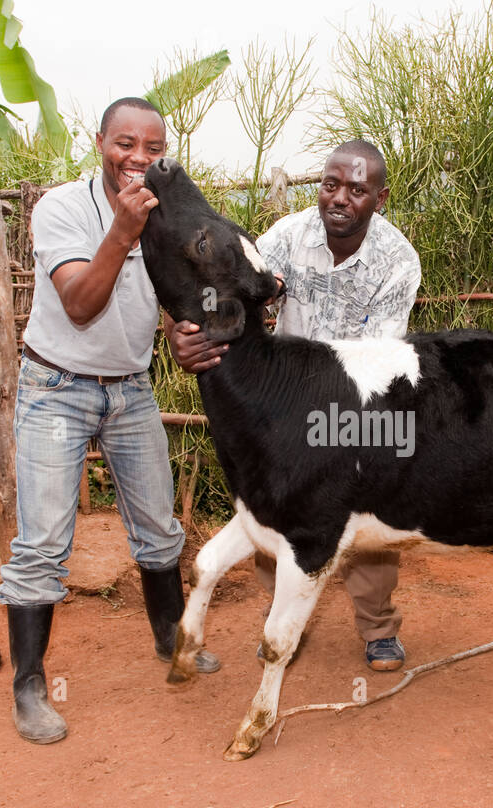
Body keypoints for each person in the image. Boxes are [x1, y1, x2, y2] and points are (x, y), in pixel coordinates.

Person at [0, 97, 219, 745]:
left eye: (153, 149)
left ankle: (170, 641)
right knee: (42, 542)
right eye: (126, 144)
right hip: (55, 385)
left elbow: (179, 301)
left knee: (158, 527)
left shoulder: (166, 216)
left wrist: (183, 337)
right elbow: (79, 304)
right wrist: (123, 231)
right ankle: (30, 689)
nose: (139, 160)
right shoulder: (61, 209)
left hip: (129, 387)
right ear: (100, 141)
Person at [167, 140, 422, 671]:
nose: (340, 198)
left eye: (357, 190)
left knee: (365, 520)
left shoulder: (398, 261)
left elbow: (378, 356)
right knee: (278, 522)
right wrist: (185, 329)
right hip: (282, 405)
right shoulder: (285, 235)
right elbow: (238, 296)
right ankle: (288, 617)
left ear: (380, 198)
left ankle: (377, 628)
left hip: (357, 405)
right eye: (331, 184)